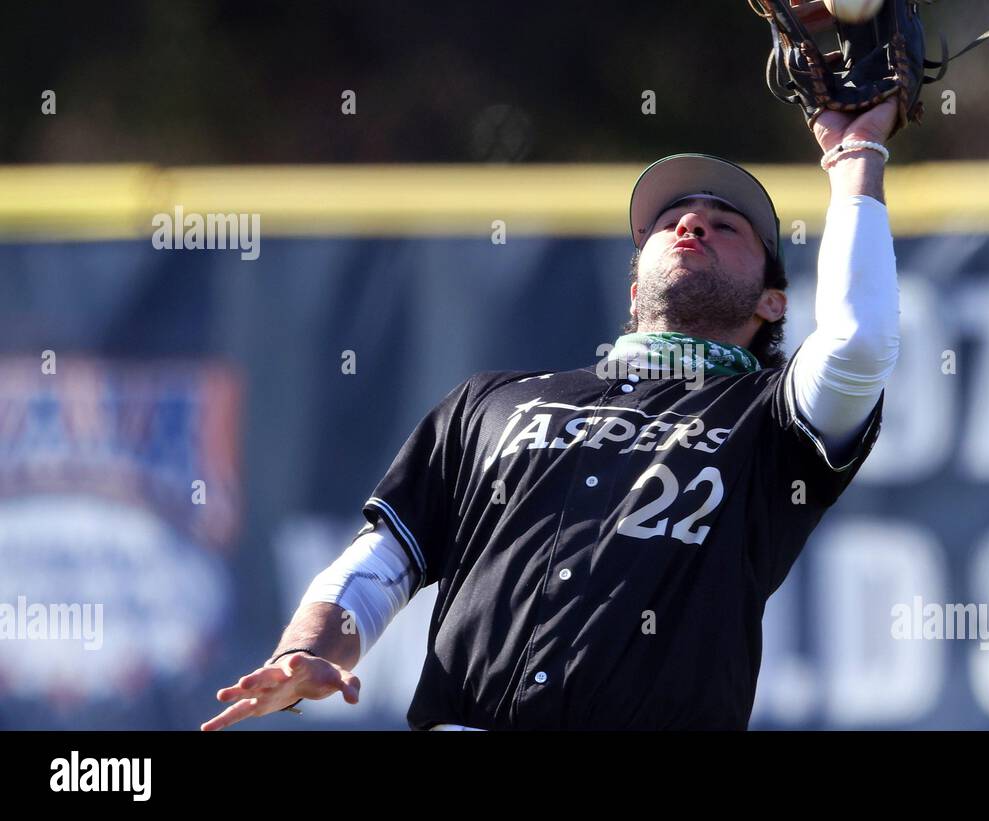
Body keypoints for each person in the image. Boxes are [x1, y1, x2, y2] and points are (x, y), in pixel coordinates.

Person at [201, 99, 902, 732]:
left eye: (726, 225)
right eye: (670, 221)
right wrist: (306, 650)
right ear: (634, 290)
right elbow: (384, 558)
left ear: (771, 302)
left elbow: (858, 341)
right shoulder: (492, 401)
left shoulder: (774, 421)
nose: (693, 223)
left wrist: (855, 157)